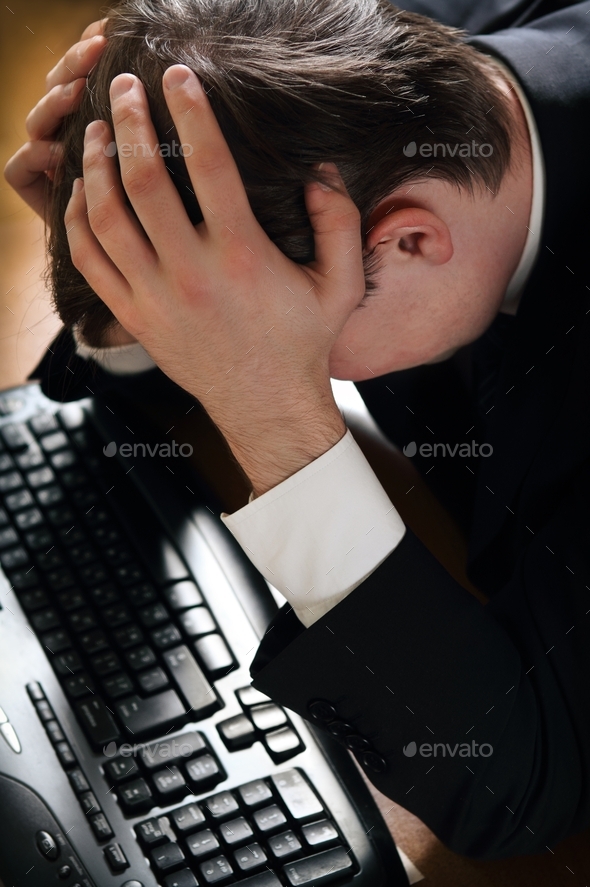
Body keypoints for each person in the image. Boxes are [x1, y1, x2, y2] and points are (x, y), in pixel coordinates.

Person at [4, 0, 590, 860]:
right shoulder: (344, 77)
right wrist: (113, 261)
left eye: (288, 329)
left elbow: (526, 788)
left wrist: (271, 404)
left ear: (413, 242)